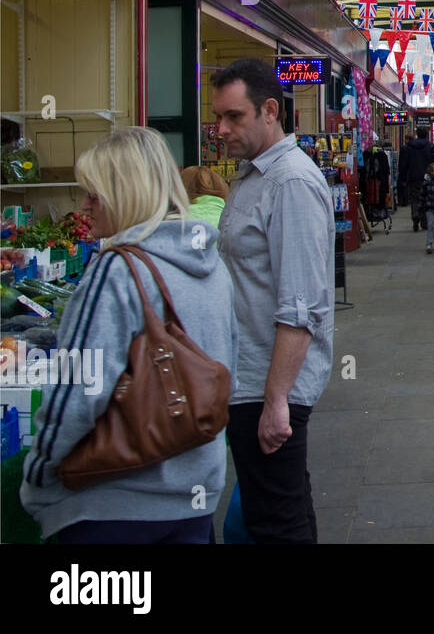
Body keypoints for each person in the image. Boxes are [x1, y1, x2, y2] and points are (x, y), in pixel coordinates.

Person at [21, 127, 237, 543]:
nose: (83, 206)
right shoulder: (211, 264)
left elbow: (77, 390)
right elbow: (230, 372)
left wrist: (37, 475)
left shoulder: (116, 271)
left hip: (111, 501)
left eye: (94, 194)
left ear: (126, 194)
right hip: (195, 494)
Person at [211, 58, 334, 544]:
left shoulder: (290, 183)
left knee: (274, 522)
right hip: (248, 375)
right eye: (218, 117)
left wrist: (277, 399)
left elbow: (300, 306)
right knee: (283, 508)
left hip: (265, 381)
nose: (221, 129)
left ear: (268, 111)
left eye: (233, 117)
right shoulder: (254, 176)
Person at [397, 128, 434, 231]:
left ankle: (415, 215)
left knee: (414, 198)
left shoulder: (408, 147)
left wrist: (403, 178)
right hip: (427, 177)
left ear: (417, 135)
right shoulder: (431, 146)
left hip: (412, 177)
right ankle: (424, 222)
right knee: (426, 199)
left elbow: (404, 164)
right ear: (426, 135)